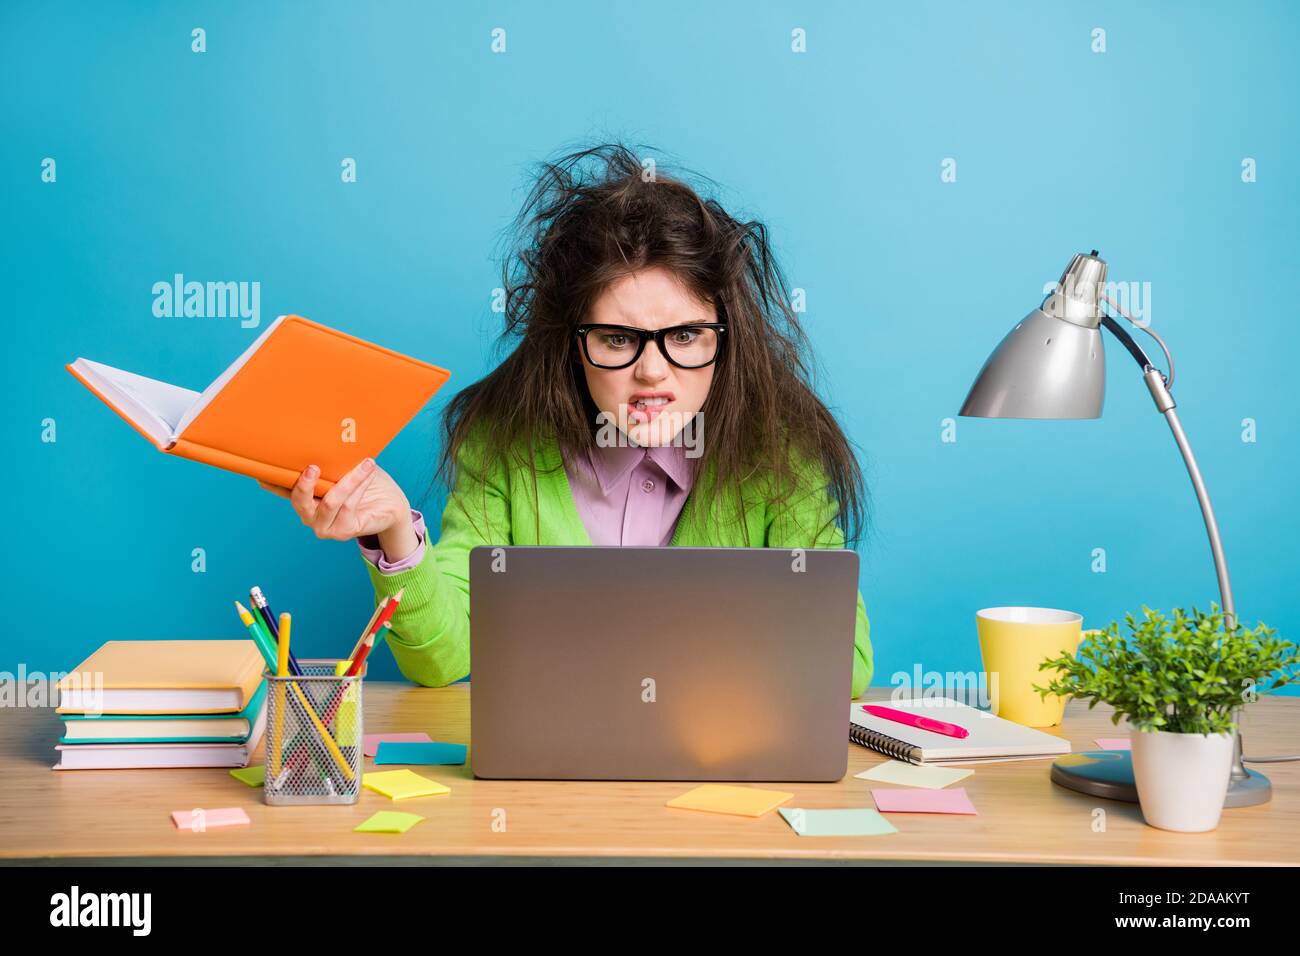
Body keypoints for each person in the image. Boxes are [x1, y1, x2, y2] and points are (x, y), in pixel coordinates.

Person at [262, 143, 873, 696]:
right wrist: (394, 529)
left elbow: (845, 664)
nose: (653, 372)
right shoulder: (505, 446)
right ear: (571, 344)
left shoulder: (781, 455)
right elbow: (442, 660)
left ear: (726, 337)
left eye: (684, 335)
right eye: (616, 338)